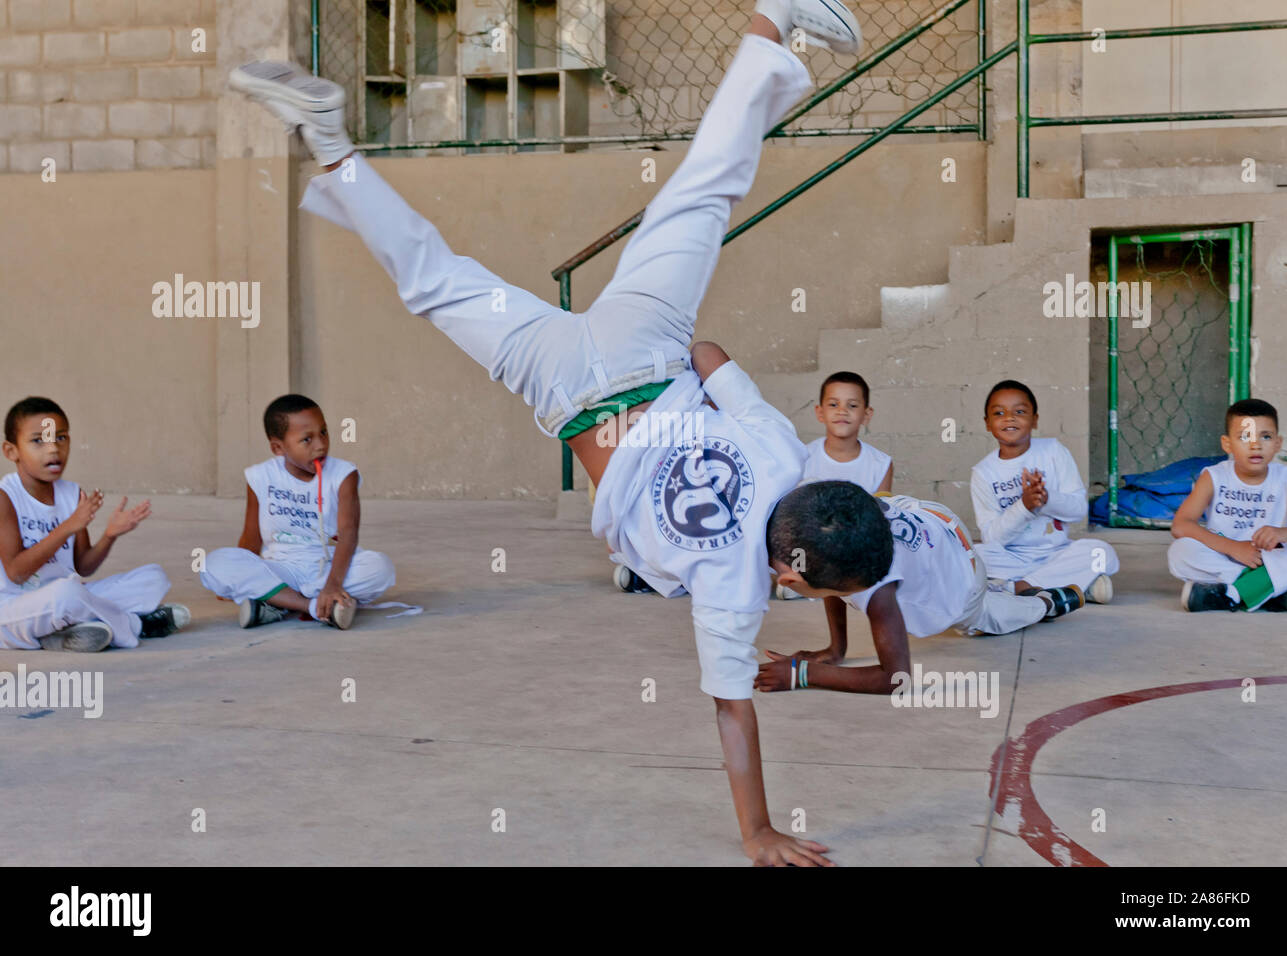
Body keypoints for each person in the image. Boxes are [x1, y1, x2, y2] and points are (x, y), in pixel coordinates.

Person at [228, 2, 892, 866]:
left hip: (644, 341)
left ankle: (773, 18)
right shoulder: (736, 589)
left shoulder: (780, 455)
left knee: (702, 191)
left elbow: (711, 352)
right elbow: (734, 711)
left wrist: (669, 379)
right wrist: (757, 833)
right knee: (434, 282)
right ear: (792, 576)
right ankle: (329, 141)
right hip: (565, 387)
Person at [755, 492, 1081, 695]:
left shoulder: (879, 590)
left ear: (790, 582)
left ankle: (1044, 602)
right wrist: (835, 650)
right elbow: (833, 582)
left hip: (965, 583)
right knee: (835, 564)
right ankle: (1008, 584)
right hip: (933, 521)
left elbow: (896, 679)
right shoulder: (828, 522)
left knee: (982, 618)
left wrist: (803, 674)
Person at [0, 396, 188, 652]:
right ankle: (136, 625)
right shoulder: (6, 496)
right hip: (14, 609)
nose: (53, 449)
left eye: (61, 438)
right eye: (38, 441)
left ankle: (64, 632)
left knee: (153, 578)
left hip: (66, 598)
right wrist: (68, 526)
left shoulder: (71, 494)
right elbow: (16, 573)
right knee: (67, 594)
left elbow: (84, 566)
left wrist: (110, 535)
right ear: (11, 451)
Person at [199, 394, 396, 629]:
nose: (320, 445)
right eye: (307, 439)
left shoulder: (344, 475)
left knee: (380, 568)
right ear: (278, 447)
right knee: (214, 564)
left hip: (328, 566)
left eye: (323, 432)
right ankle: (314, 606)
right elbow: (251, 538)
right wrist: (236, 576)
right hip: (281, 567)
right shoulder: (261, 477)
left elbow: (348, 533)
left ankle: (278, 601)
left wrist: (333, 583)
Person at [971, 379, 1117, 609]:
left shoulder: (1053, 451)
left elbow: (1078, 510)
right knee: (971, 556)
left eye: (1019, 411)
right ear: (987, 423)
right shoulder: (983, 472)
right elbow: (992, 538)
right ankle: (1073, 586)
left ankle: (1019, 587)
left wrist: (1046, 498)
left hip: (1056, 553)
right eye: (999, 413)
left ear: (1035, 420)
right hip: (1011, 558)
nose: (1009, 418)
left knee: (1100, 552)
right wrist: (1024, 507)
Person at [1168, 398, 1287, 612]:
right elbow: (1181, 525)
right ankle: (1274, 592)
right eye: (1245, 437)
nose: (1256, 445)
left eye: (1266, 436)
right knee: (1181, 551)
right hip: (1225, 558)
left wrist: (1284, 533)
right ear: (1227, 443)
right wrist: (1233, 547)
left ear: (1278, 443)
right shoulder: (1214, 476)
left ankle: (1231, 594)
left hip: (1272, 560)